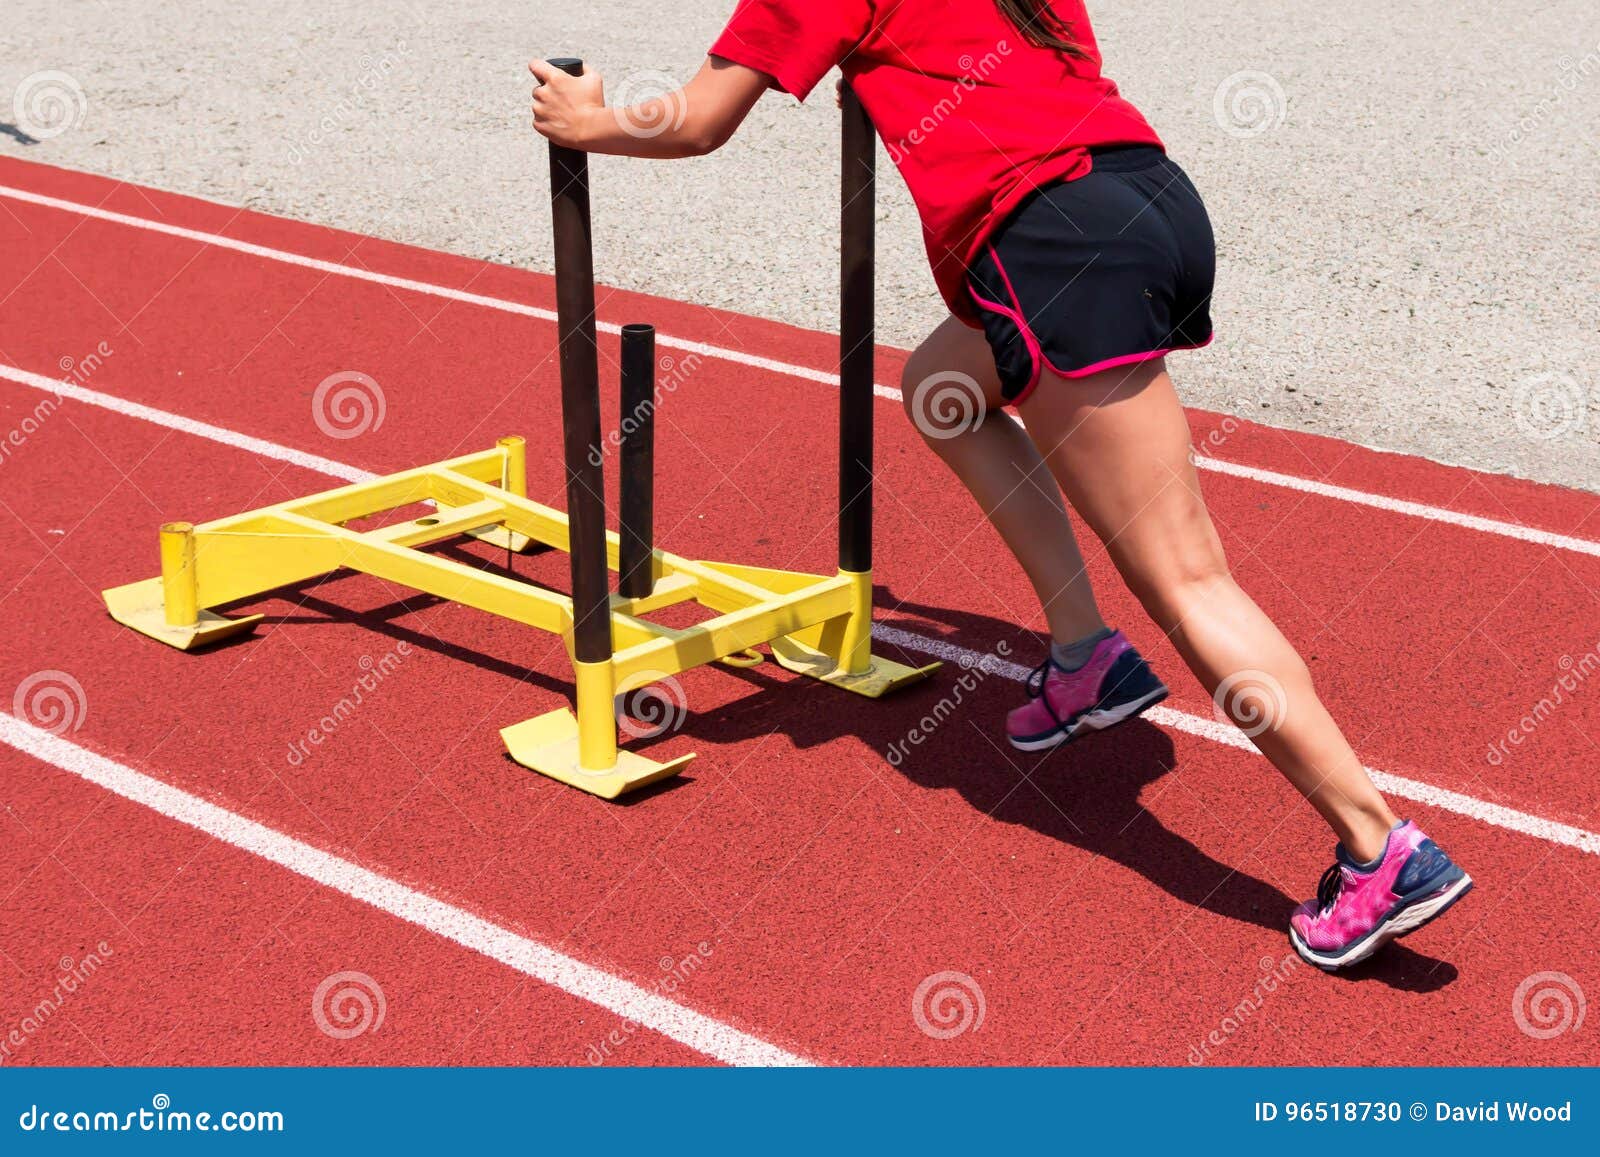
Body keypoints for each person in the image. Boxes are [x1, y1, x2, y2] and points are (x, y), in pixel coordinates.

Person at [528, 0, 1472, 970]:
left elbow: (697, 119)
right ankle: (1083, 654)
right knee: (943, 387)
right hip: (1142, 196)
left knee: (1185, 577)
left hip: (1050, 241)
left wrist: (587, 121)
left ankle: (1378, 846)